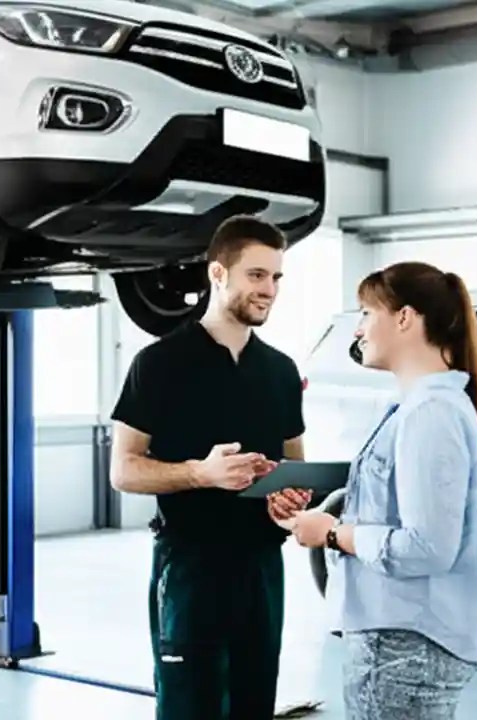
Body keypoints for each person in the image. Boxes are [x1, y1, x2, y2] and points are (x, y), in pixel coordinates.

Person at [282, 261, 477, 719]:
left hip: (405, 642)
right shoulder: (423, 407)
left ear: (404, 318)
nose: (359, 330)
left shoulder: (430, 413)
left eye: (367, 313)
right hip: (407, 638)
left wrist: (332, 534)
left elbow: (426, 547)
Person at [109, 215, 313, 720]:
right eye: (257, 275)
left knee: (253, 704)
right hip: (191, 566)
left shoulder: (282, 372)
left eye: (276, 277)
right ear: (218, 274)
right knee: (189, 707)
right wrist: (200, 473)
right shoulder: (158, 364)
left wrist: (291, 495)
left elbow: (296, 465)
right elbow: (123, 470)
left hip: (263, 568)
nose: (269, 290)